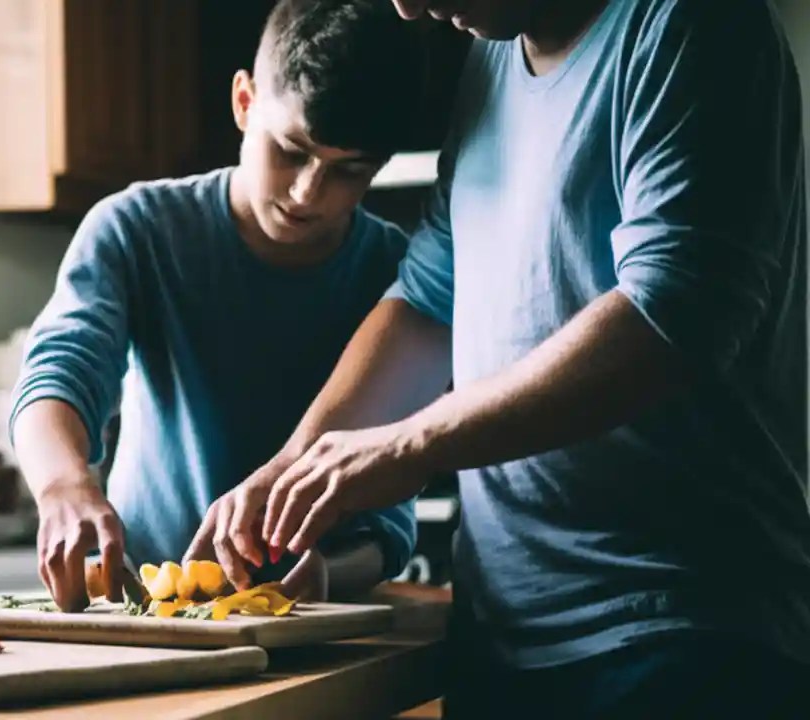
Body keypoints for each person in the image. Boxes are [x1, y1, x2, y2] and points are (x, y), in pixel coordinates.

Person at [202, 0, 810, 716]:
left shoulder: (692, 24)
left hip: (678, 635)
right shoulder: (487, 56)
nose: (406, 7)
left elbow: (675, 313)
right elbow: (430, 297)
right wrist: (295, 467)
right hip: (500, 635)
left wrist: (410, 443)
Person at [9, 0, 426, 612]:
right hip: (147, 615)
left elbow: (390, 506)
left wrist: (332, 574)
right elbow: (60, 368)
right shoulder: (135, 229)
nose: (308, 192)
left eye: (349, 171)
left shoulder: (399, 277)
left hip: (319, 620)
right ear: (244, 102)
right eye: (290, 150)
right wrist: (63, 484)